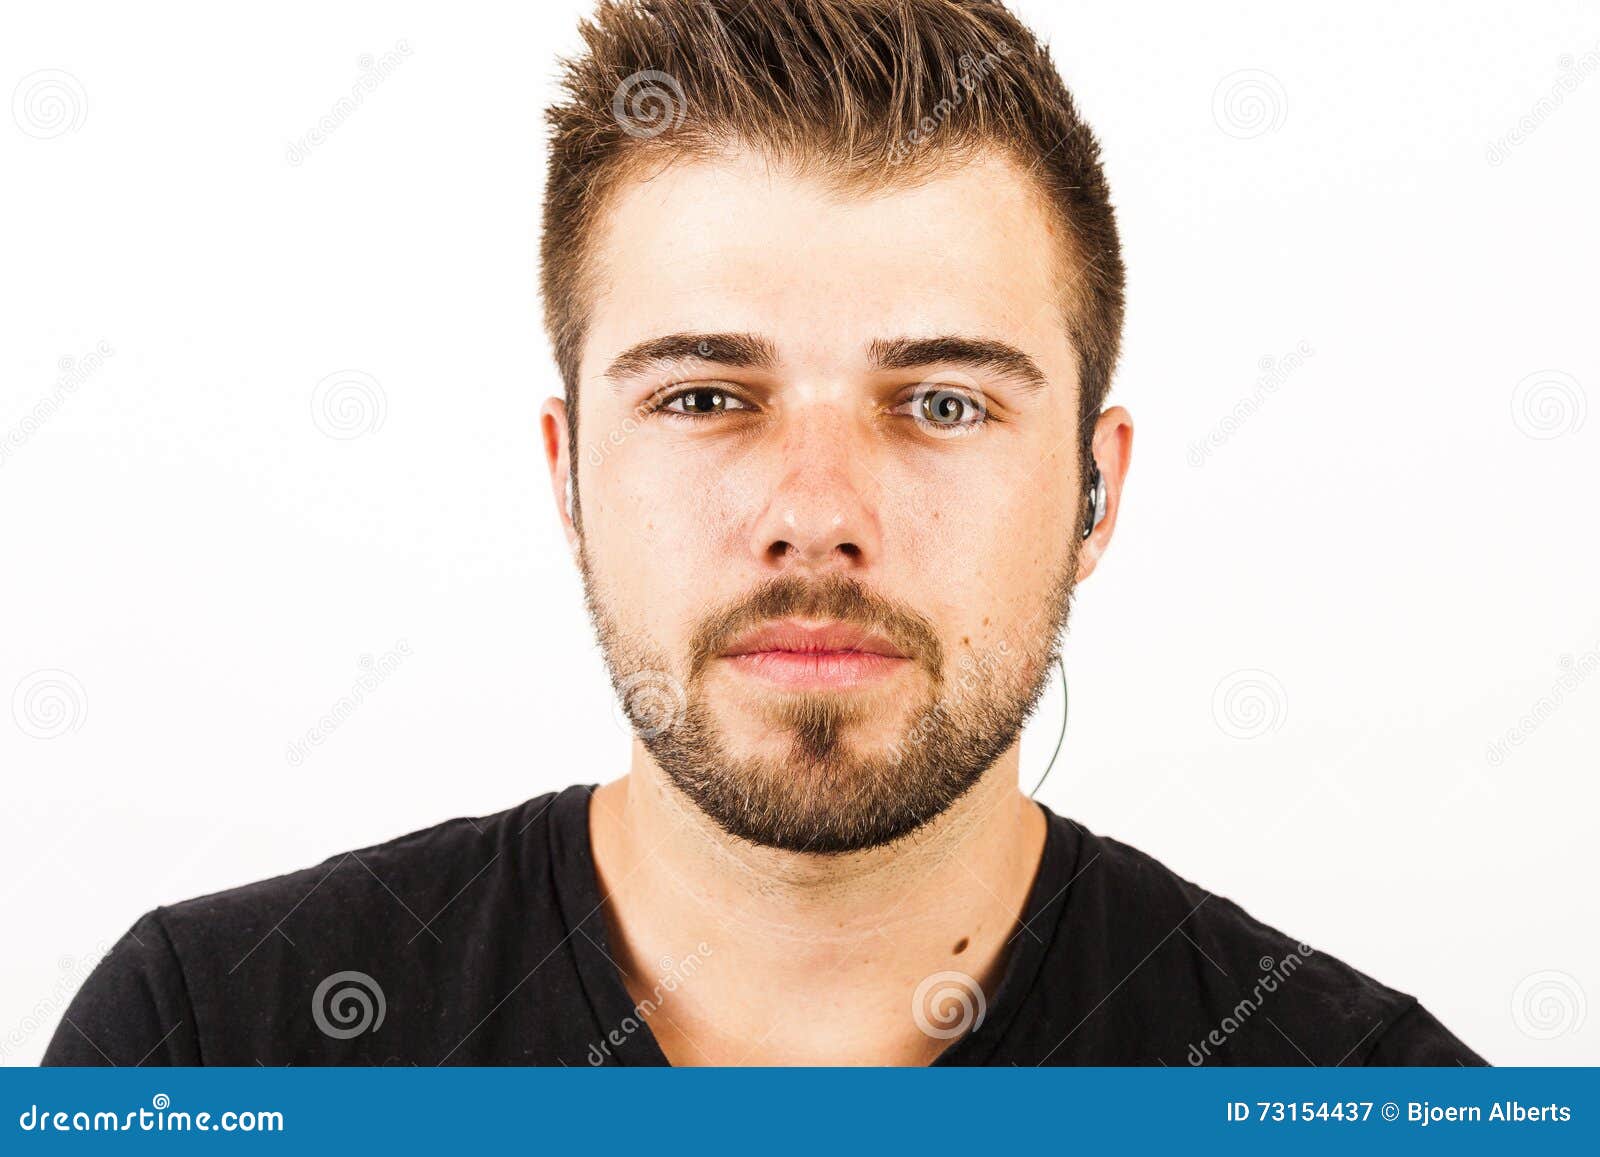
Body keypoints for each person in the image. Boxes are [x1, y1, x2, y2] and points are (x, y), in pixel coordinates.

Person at [44, 0, 1482, 1067]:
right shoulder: (207, 1046)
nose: (813, 516)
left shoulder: (1357, 1092)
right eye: (706, 395)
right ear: (568, 475)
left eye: (939, 401)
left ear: (1095, 490)